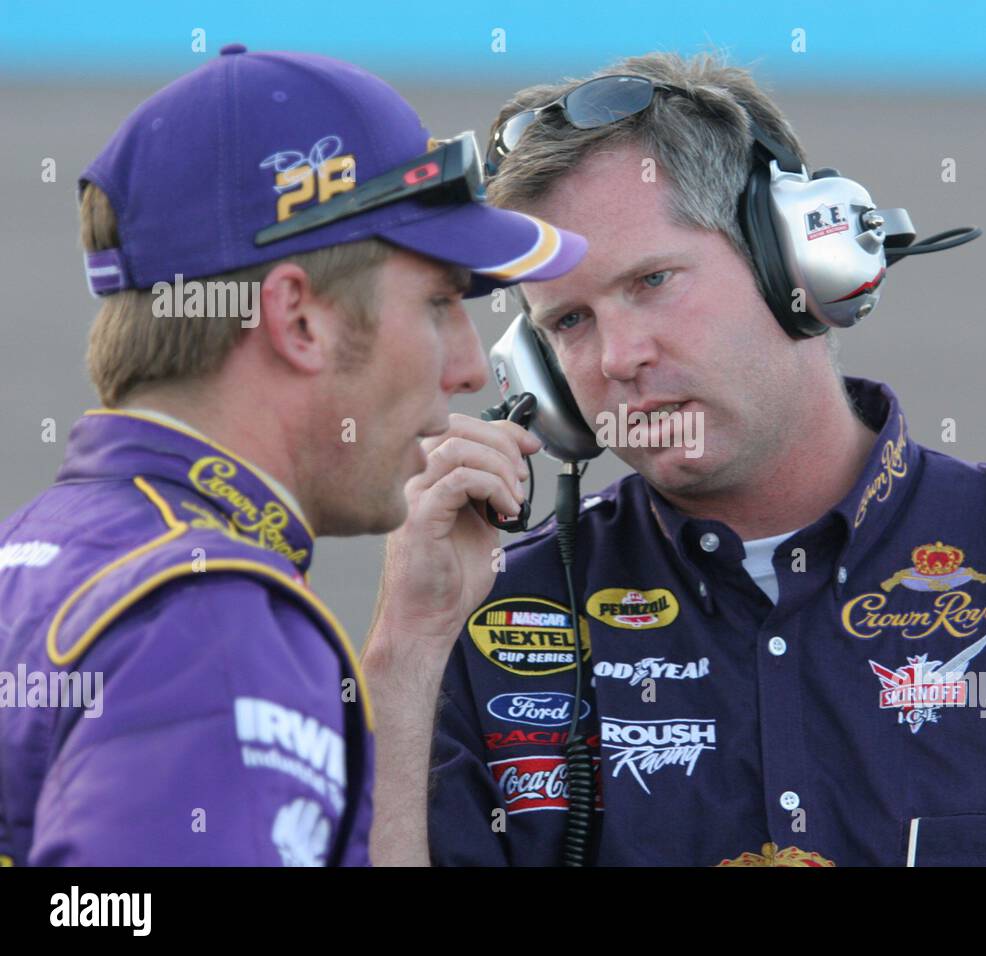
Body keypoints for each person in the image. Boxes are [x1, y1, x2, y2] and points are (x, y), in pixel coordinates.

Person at [371, 52, 986, 865]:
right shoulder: (494, 624)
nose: (617, 359)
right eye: (569, 322)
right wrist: (406, 652)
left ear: (803, 267)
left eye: (652, 282)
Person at [0, 44, 583, 866]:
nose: (466, 365)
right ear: (299, 321)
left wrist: (411, 645)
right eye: (441, 303)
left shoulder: (38, 556)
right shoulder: (212, 627)